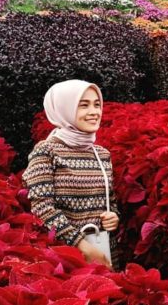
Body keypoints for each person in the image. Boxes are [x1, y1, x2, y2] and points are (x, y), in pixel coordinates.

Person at [22, 80, 121, 268]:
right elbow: (42, 208)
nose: (94, 112)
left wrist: (113, 217)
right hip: (65, 256)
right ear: (64, 109)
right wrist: (80, 244)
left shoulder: (102, 154)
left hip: (102, 249)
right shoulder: (46, 151)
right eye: (83, 105)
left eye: (97, 104)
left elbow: (110, 201)